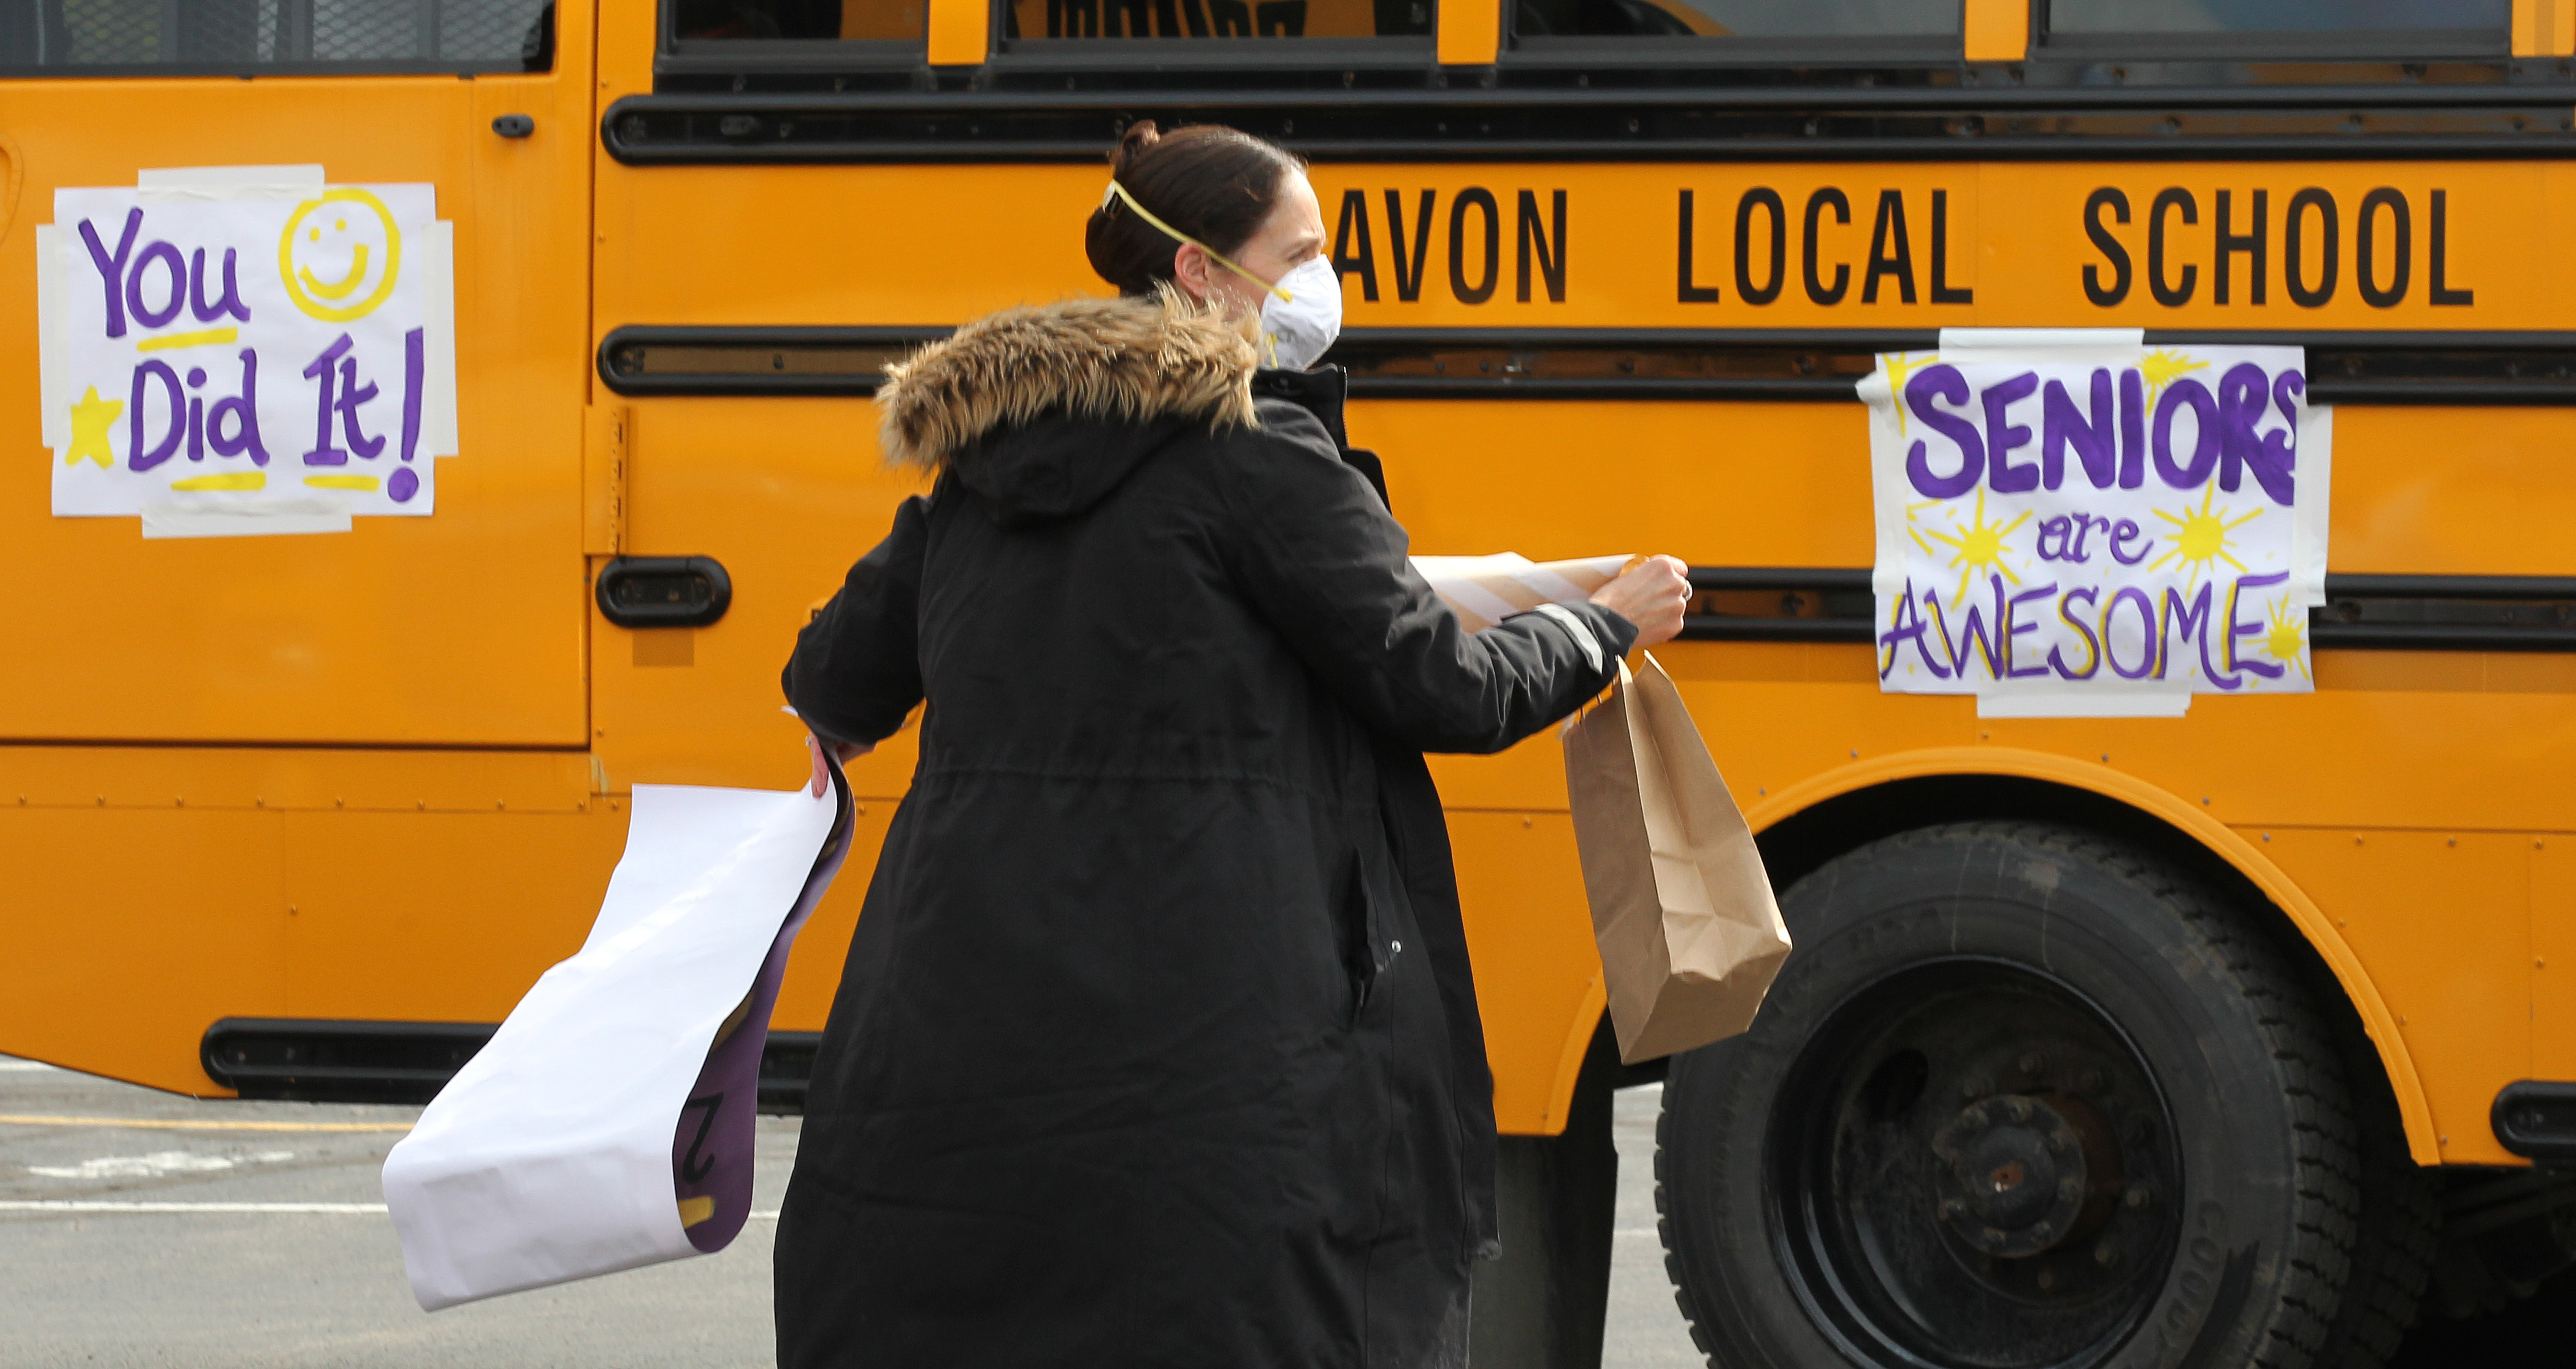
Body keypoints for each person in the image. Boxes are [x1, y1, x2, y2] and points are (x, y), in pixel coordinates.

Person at [774, 121, 1692, 1369]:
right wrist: (1601, 628)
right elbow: (1440, 689)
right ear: (1205, 274)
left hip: (961, 1064)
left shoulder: (982, 469)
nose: (1326, 279)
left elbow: (831, 678)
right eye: (1303, 251)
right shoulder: (1259, 451)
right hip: (1219, 1073)